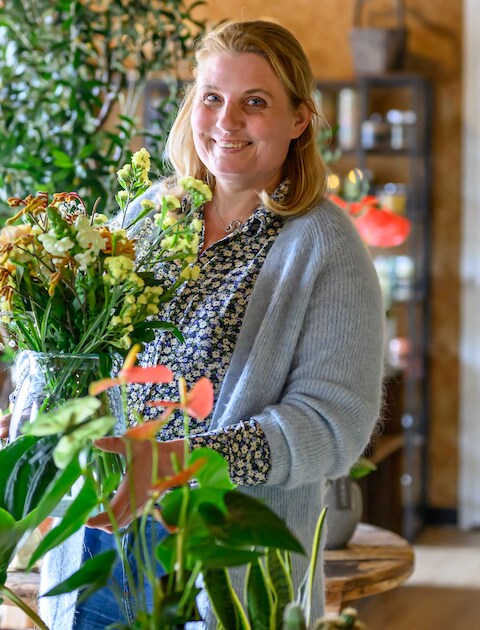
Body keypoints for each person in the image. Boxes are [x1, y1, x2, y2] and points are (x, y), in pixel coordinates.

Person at [40, 19, 386, 628]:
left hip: (223, 552)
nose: (227, 121)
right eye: (212, 98)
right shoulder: (146, 218)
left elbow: (334, 426)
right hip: (102, 531)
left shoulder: (325, 245)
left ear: (299, 119)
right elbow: (84, 353)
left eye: (256, 102)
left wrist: (189, 461)